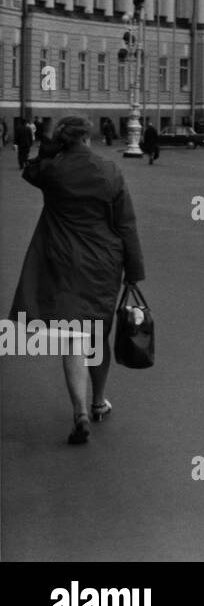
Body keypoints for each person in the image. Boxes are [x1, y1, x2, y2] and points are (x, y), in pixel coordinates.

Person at [8, 115, 146, 445]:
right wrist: (134, 273)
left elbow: (30, 170)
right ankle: (99, 402)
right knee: (97, 333)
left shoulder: (53, 171)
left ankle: (80, 411)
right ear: (87, 138)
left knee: (73, 337)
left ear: (63, 141)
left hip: (62, 260)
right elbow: (126, 224)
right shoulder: (109, 171)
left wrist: (48, 148)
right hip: (103, 262)